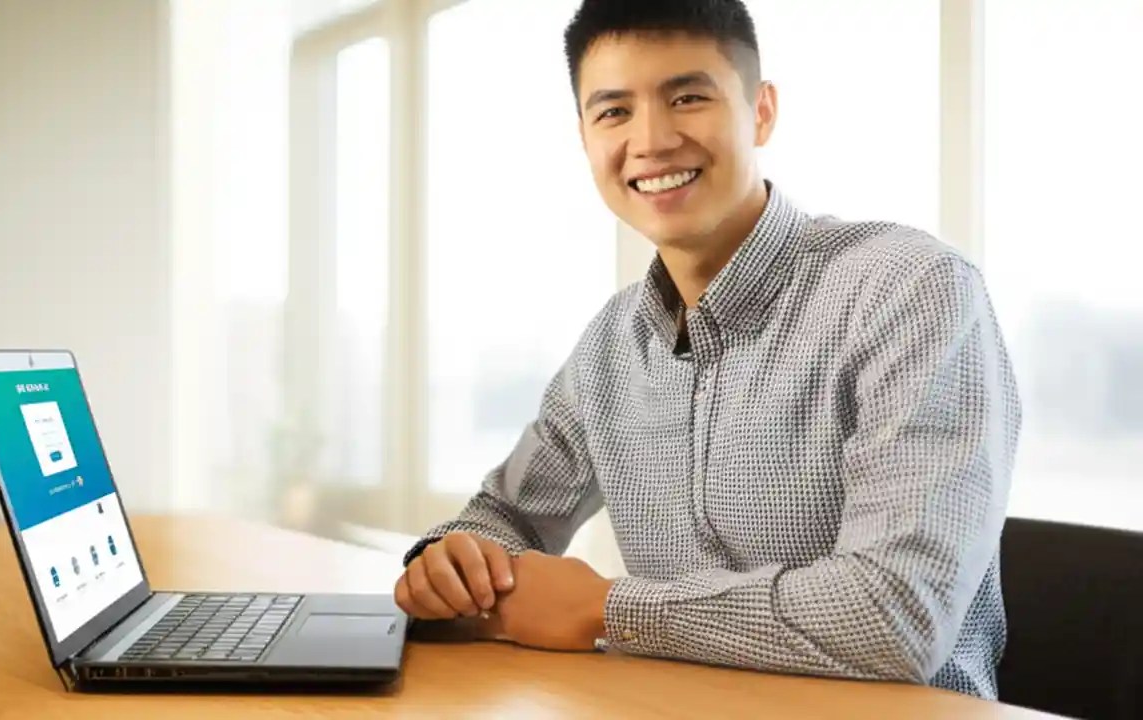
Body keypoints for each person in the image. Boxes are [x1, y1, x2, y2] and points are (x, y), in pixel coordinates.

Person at [393, 0, 1021, 700]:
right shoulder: (612, 342)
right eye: (613, 112)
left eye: (687, 97)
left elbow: (897, 615)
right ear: (584, 138)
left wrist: (605, 608)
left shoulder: (909, 289)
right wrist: (448, 564)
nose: (652, 141)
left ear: (761, 112)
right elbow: (505, 517)